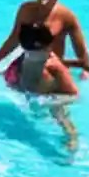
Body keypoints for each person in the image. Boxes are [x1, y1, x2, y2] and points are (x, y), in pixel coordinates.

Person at [13, 22, 81, 152]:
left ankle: (73, 141)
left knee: (61, 117)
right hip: (36, 96)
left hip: (53, 98)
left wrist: (48, 102)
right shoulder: (22, 59)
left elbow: (74, 95)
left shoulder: (53, 65)